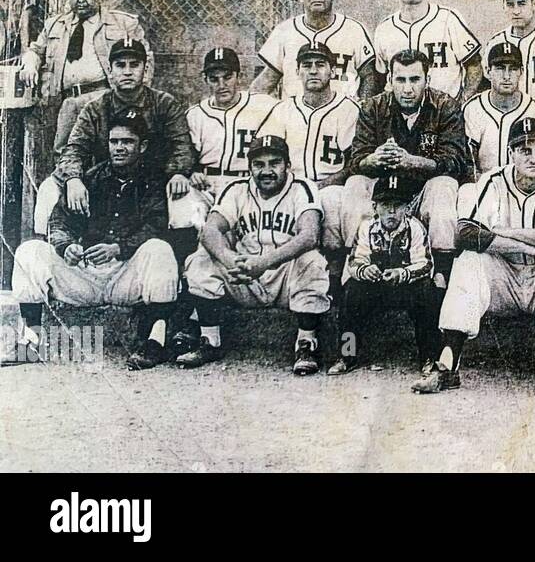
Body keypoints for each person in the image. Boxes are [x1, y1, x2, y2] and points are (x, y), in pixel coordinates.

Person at [412, 118, 535, 404]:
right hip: (502, 279)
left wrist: (510, 234)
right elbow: (467, 233)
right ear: (511, 153)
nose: (533, 158)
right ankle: (447, 364)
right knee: (469, 260)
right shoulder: (494, 181)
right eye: (525, 150)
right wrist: (527, 244)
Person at [11, 110, 178, 370]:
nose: (120, 148)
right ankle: (30, 340)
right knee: (29, 251)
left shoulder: (153, 181)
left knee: (160, 250)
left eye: (128, 141)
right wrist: (67, 247)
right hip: (86, 274)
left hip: (126, 274)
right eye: (114, 141)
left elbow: (156, 226)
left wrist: (119, 247)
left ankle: (155, 342)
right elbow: (59, 221)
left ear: (142, 146)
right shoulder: (90, 178)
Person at [177, 134, 330, 374]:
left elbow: (309, 235)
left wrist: (264, 262)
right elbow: (210, 231)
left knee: (311, 261)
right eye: (258, 165)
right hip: (243, 274)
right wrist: (230, 261)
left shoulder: (302, 187)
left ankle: (306, 343)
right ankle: (210, 341)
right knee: (202, 258)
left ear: (287, 166)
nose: (266, 170)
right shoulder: (236, 188)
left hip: (284, 277)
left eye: (274, 163)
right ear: (249, 168)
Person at [40, 38, 191, 238]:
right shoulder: (95, 108)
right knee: (49, 189)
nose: (127, 71)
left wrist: (178, 172)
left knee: (182, 197)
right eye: (120, 65)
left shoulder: (164, 104)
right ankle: (50, 250)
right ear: (110, 71)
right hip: (108, 185)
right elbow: (75, 148)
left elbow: (181, 145)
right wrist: (73, 178)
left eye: (134, 65)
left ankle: (178, 261)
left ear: (145, 70)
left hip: (152, 186)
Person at [344, 48, 467, 280]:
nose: (407, 89)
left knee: (444, 185)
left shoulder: (445, 106)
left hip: (423, 191)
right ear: (389, 80)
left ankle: (442, 270)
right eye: (400, 80)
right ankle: (356, 264)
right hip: (386, 195)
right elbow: (356, 160)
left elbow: (456, 161)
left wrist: (413, 162)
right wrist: (373, 158)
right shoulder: (373, 107)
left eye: (415, 79)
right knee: (355, 183)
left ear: (427, 79)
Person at [20, 0, 151, 153]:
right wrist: (30, 62)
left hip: (104, 97)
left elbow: (146, 61)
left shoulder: (123, 24)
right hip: (65, 102)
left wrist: (134, 99)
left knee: (106, 152)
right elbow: (36, 50)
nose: (81, 0)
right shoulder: (55, 25)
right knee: (65, 154)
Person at [327, 174, 438, 376]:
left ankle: (429, 357)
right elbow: (353, 261)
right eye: (385, 204)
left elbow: (425, 264)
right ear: (375, 207)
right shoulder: (366, 227)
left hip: (405, 286)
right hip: (375, 287)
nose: (392, 211)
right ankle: (347, 355)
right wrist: (365, 270)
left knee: (426, 293)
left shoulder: (415, 228)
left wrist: (402, 273)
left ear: (407, 208)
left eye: (398, 204)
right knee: (351, 292)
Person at [251, 0, 379, 101]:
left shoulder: (353, 30)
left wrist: (362, 109)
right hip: (296, 117)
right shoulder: (285, 31)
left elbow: (370, 76)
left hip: (342, 117)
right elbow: (266, 81)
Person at [371, 0, 482, 103]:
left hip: (443, 113)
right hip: (399, 114)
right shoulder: (384, 28)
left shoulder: (448, 18)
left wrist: (463, 100)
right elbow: (379, 76)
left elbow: (474, 64)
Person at [257, 43, 359, 193]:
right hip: (288, 188)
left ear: (332, 71)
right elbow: (264, 154)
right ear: (297, 71)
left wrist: (318, 187)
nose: (313, 71)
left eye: (320, 65)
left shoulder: (349, 109)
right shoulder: (283, 110)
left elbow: (354, 164)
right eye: (306, 65)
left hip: (333, 189)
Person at [185, 47, 278, 199]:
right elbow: (186, 153)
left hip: (248, 183)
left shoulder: (264, 105)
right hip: (207, 183)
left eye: (227, 77)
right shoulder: (196, 114)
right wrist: (192, 172)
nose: (221, 85)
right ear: (205, 80)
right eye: (214, 79)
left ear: (239, 76)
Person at [463, 42, 535, 178]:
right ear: (487, 71)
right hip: (483, 187)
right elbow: (467, 164)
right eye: (500, 68)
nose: (507, 76)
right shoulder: (471, 108)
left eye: (513, 69)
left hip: (528, 187)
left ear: (522, 72)